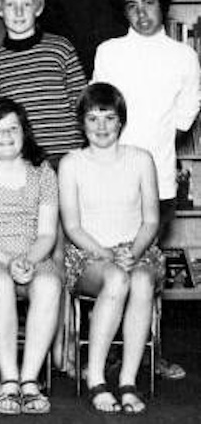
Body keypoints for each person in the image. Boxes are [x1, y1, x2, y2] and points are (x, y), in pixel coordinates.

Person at [92, 0, 200, 382]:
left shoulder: (184, 56)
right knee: (117, 268)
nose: (141, 12)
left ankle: (152, 353)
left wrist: (150, 146)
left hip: (159, 182)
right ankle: (112, 355)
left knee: (148, 272)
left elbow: (185, 116)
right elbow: (100, 111)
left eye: (149, 2)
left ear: (164, 3)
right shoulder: (109, 52)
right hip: (110, 181)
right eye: (132, 5)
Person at [58, 83, 163, 414]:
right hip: (89, 254)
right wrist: (107, 254)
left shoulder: (141, 159)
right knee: (117, 279)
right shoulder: (71, 163)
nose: (101, 127)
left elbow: (150, 220)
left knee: (142, 280)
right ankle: (97, 380)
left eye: (109, 117)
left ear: (121, 122)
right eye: (92, 118)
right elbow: (72, 226)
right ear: (81, 123)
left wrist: (132, 251)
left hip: (137, 250)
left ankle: (128, 381)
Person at [0, 98, 63, 415]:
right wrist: (9, 262)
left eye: (13, 128)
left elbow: (47, 233)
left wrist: (29, 260)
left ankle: (29, 381)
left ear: (25, 132)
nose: (6, 136)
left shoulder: (43, 171)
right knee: (0, 284)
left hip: (36, 255)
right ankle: (8, 380)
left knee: (49, 286)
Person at [0, 0, 87, 166]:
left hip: (67, 157)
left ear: (38, 8)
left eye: (26, 5)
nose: (19, 12)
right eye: (11, 5)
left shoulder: (61, 49)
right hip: (20, 162)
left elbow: (82, 103)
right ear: (0, 9)